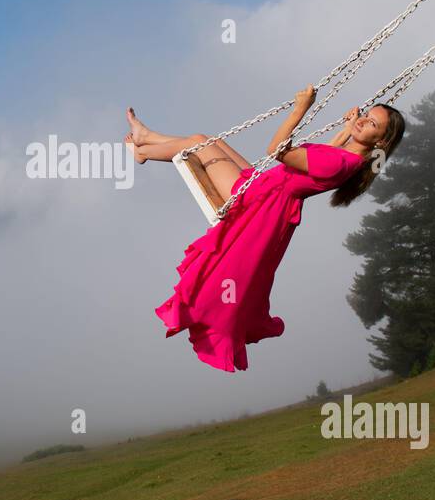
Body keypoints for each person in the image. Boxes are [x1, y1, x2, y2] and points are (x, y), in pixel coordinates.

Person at [124, 85, 406, 372]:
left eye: (371, 123)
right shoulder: (350, 159)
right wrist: (348, 129)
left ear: (381, 142)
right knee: (200, 139)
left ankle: (143, 151)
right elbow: (328, 155)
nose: (363, 119)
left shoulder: (340, 162)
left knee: (197, 144)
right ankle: (145, 141)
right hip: (267, 190)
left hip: (257, 203)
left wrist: (301, 109)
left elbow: (276, 150)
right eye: (367, 114)